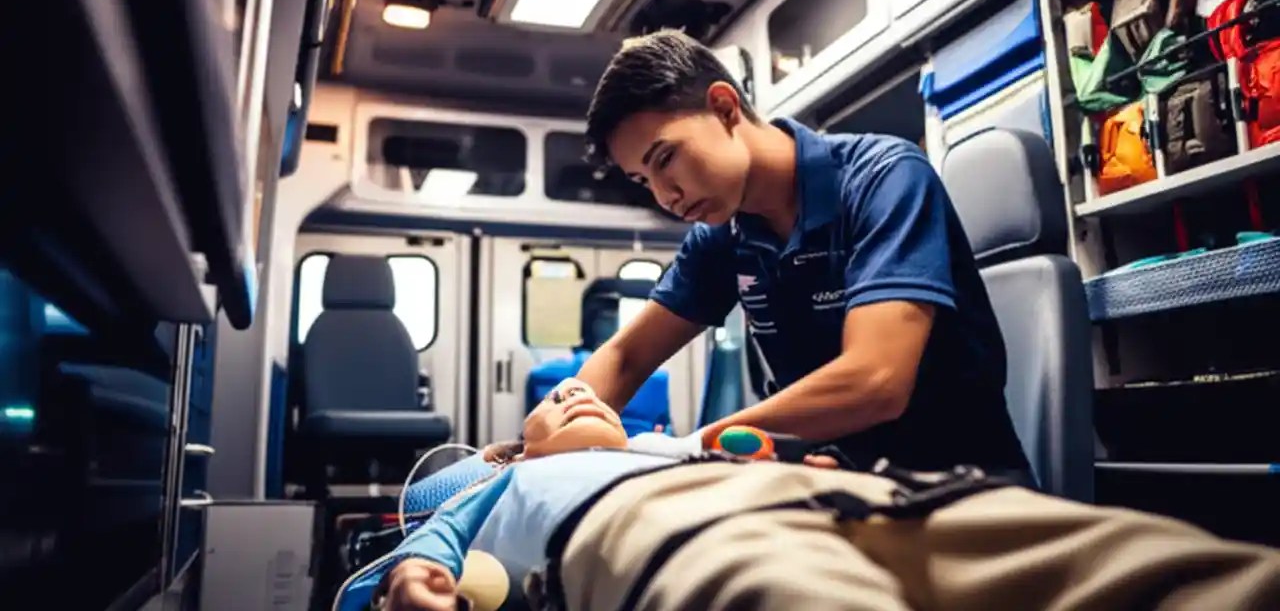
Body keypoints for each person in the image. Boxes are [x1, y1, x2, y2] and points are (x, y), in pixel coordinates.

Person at [346, 378, 1280, 611]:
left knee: (1133, 564)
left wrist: (799, 467)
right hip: (675, 534)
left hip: (893, 502)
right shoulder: (514, 487)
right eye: (551, 404)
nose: (577, 390)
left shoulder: (681, 444)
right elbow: (421, 556)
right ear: (513, 455)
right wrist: (416, 575)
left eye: (582, 391)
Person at [575, 29, 1029, 478]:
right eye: (643, 180)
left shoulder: (884, 178)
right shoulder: (723, 236)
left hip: (962, 489)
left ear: (724, 107)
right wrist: (539, 439)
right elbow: (626, 357)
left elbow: (876, 381)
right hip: (838, 479)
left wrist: (695, 446)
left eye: (665, 159)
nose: (664, 197)